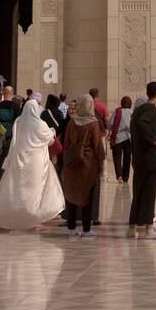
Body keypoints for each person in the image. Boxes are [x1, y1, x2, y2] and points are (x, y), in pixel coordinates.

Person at [0, 95, 62, 230]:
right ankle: (33, 221)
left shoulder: (18, 122)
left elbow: (14, 140)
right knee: (35, 191)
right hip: (37, 162)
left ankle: (19, 217)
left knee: (19, 190)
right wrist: (52, 131)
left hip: (20, 159)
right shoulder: (41, 124)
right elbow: (51, 140)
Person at [61, 93, 105, 236]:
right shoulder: (93, 124)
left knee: (72, 195)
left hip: (72, 165)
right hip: (88, 165)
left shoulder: (71, 123)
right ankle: (86, 229)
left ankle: (72, 228)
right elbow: (97, 146)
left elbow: (66, 145)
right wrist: (101, 164)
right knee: (88, 196)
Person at [128, 81, 156, 239]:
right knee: (149, 192)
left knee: (138, 192)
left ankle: (131, 228)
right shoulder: (150, 109)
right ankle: (149, 229)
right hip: (150, 158)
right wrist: (153, 139)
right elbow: (143, 125)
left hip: (140, 158)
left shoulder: (137, 110)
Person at [0, 84, 22, 186]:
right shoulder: (16, 107)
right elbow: (19, 123)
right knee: (10, 161)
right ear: (12, 94)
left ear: (3, 94)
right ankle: (8, 184)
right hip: (11, 138)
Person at [89, 87, 110, 224]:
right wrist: (107, 130)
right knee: (102, 154)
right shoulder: (102, 106)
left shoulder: (88, 105)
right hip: (101, 133)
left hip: (89, 133)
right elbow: (106, 119)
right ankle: (104, 173)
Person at [109, 96, 133, 182]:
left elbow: (110, 124)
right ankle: (125, 177)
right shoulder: (131, 112)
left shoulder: (117, 112)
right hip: (128, 138)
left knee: (117, 158)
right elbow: (133, 126)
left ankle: (119, 176)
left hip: (117, 138)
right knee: (127, 158)